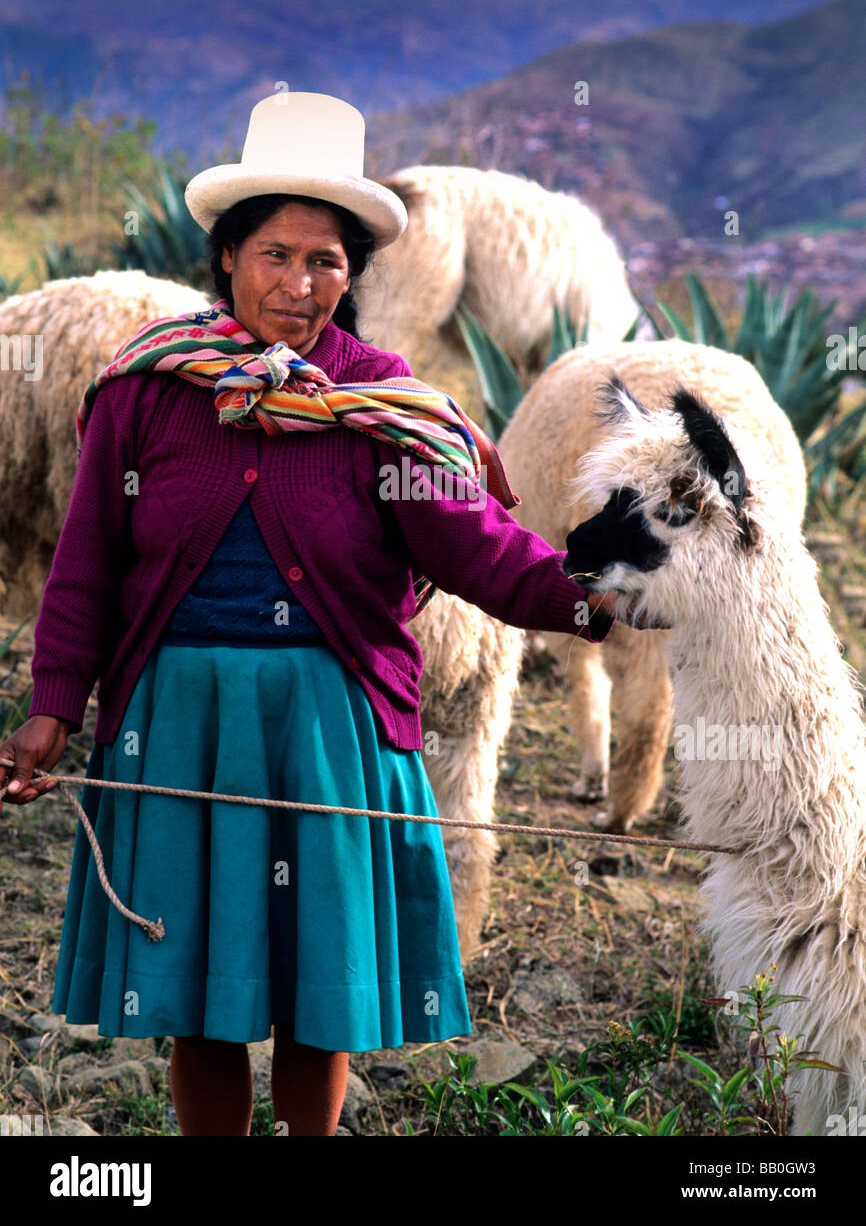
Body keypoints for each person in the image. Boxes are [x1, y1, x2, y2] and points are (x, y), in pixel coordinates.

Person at [0, 91, 628, 1137]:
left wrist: (594, 598)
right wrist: (52, 708)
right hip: (179, 725)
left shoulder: (386, 407)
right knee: (197, 994)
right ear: (227, 258)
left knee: (314, 992)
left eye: (326, 262)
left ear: (353, 274)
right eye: (275, 255)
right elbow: (88, 566)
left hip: (330, 732)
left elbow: (475, 545)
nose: (299, 285)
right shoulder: (146, 392)